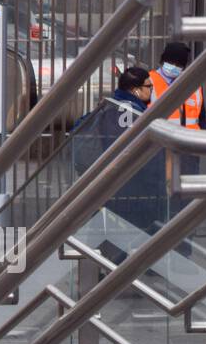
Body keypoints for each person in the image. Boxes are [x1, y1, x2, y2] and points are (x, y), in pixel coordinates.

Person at [71, 67, 170, 234]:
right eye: (149, 87)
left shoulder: (107, 107)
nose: (151, 90)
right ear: (136, 90)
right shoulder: (141, 116)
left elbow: (79, 128)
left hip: (106, 186)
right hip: (137, 190)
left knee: (110, 233)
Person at [148, 41, 205, 129]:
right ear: (163, 61)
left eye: (178, 64)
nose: (174, 66)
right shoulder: (148, 81)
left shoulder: (193, 84)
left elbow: (202, 118)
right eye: (170, 62)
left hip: (190, 139)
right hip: (160, 139)